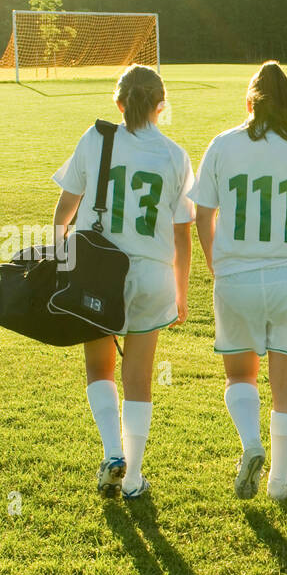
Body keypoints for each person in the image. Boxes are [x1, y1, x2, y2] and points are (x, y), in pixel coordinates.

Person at [52, 64, 194, 500]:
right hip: (153, 277)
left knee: (99, 368)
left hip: (98, 271)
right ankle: (132, 478)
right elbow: (182, 233)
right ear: (160, 106)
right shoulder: (175, 155)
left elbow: (66, 206)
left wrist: (59, 253)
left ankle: (112, 453)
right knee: (139, 377)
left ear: (118, 103)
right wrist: (181, 293)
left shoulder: (97, 138)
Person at [190, 61, 287, 500]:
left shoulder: (223, 144)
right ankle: (279, 481)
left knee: (239, 376)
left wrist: (216, 262)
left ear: (249, 102)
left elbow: (202, 212)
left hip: (236, 277)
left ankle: (251, 443)